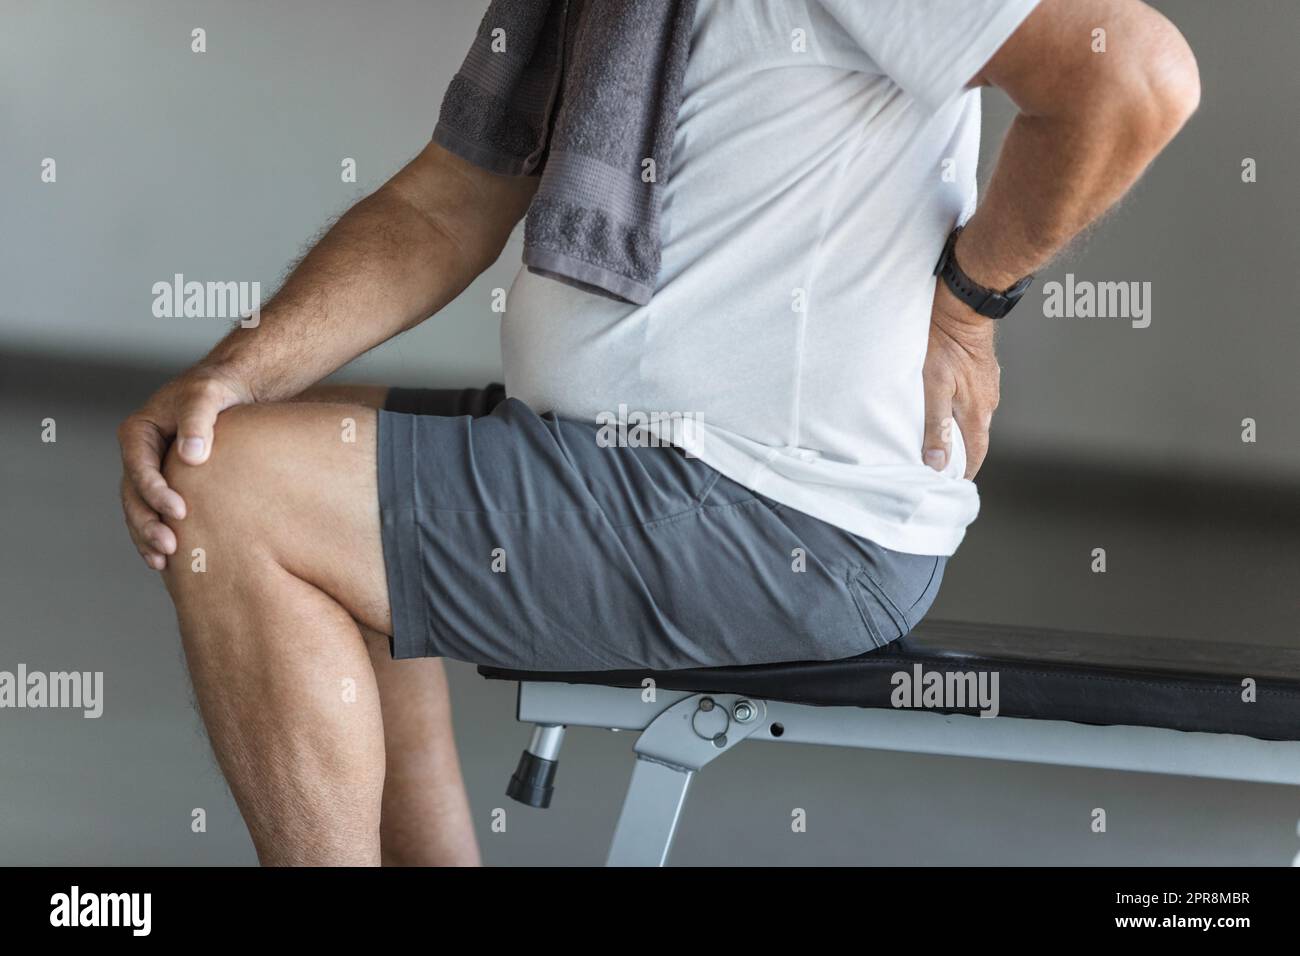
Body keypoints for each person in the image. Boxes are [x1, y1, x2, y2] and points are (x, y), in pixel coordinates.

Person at [116, 0, 1199, 865]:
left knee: (237, 493)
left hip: (772, 513)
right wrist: (232, 374)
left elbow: (1135, 77)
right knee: (290, 450)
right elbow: (444, 202)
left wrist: (965, 309)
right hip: (649, 473)